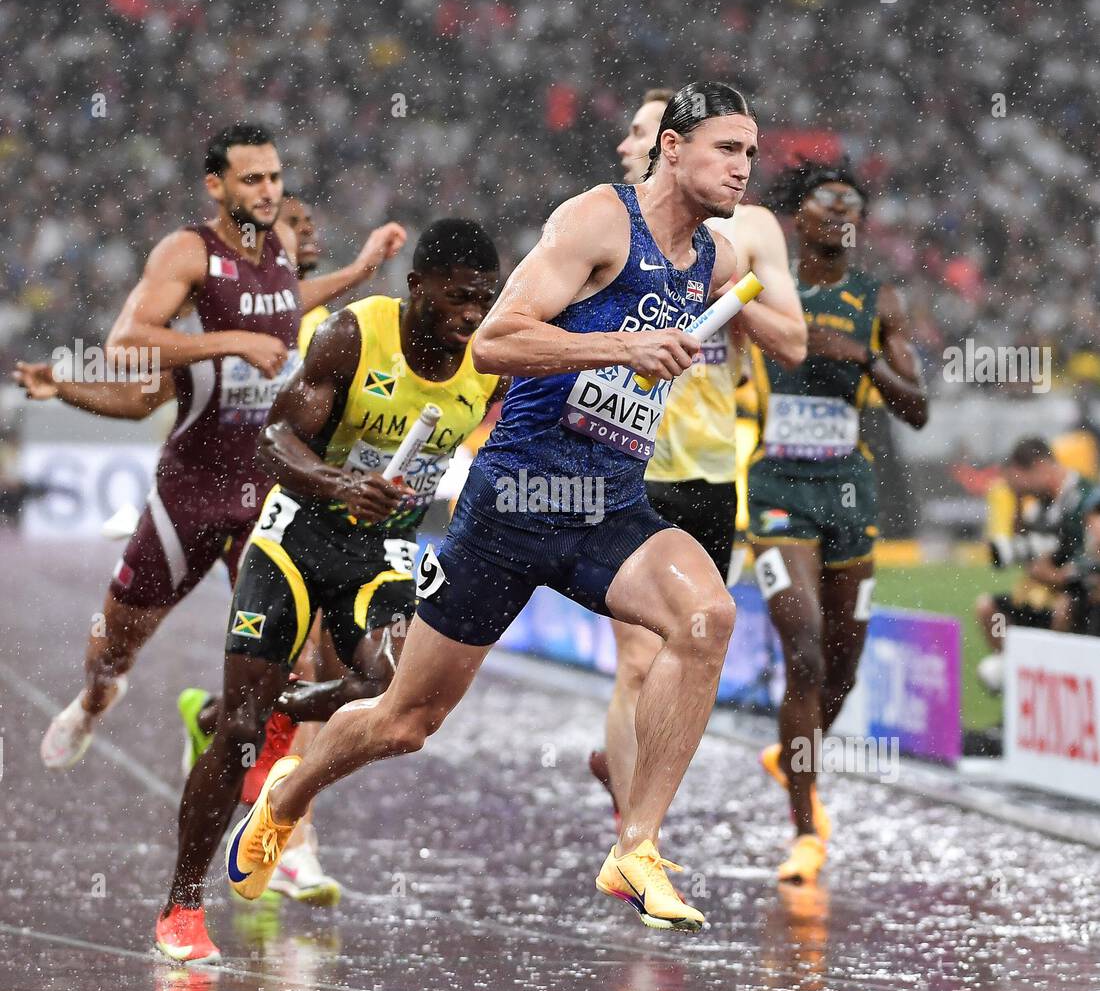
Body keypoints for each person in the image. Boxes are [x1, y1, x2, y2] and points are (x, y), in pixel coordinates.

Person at [225, 81, 805, 933]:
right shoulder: (597, 222)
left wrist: (776, 263)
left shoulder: (715, 262)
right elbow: (495, 341)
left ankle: (636, 845)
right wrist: (624, 345)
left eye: (752, 152)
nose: (744, 167)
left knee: (707, 617)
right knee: (404, 720)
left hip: (609, 506)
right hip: (514, 504)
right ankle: (289, 791)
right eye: (727, 148)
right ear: (673, 149)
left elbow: (786, 335)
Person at [158, 220, 503, 962]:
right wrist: (343, 481)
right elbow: (275, 442)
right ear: (419, 289)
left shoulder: (488, 364)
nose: (472, 316)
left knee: (385, 692)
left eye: (485, 301)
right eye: (457, 300)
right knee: (239, 736)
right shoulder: (355, 334)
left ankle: (271, 712)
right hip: (294, 540)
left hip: (380, 552)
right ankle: (182, 907)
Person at [38, 125, 404, 770]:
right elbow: (127, 341)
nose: (268, 192)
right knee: (117, 643)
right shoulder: (189, 252)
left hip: (270, 492)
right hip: (191, 490)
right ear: (217, 184)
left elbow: (290, 304)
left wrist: (361, 270)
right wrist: (230, 342)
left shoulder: (280, 249)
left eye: (275, 177)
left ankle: (219, 733)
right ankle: (96, 699)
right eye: (251, 179)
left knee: (285, 656)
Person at [592, 87, 804, 824]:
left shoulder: (750, 233)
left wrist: (724, 286)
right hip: (628, 464)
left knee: (693, 647)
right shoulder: (615, 224)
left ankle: (629, 777)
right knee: (638, 659)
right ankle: (633, 835)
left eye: (748, 152)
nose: (637, 147)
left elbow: (795, 343)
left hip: (710, 470)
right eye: (636, 137)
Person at [747, 161, 928, 883]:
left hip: (849, 491)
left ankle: (795, 752)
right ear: (801, 219)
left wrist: (865, 363)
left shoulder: (878, 299)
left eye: (854, 206)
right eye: (829, 205)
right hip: (778, 489)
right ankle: (804, 829)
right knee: (807, 650)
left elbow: (917, 409)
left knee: (844, 667)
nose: (843, 215)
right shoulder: (771, 285)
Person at [976, 436, 1098, 689]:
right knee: (992, 612)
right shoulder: (1040, 505)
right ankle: (1010, 671)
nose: (1025, 489)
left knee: (1064, 608)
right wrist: (1018, 501)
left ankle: (1051, 684)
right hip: (1042, 595)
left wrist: (1056, 577)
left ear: (1041, 466)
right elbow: (1019, 546)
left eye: (1024, 482)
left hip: (1074, 595)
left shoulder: (1083, 498)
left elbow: (1090, 559)